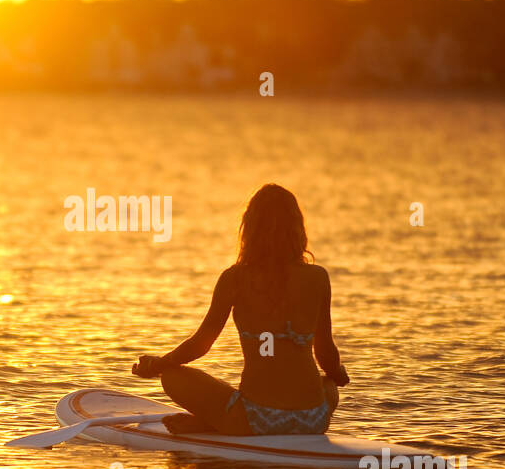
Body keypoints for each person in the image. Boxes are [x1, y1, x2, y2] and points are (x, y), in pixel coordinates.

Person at [132, 183, 349, 435]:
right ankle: (214, 423)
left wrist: (159, 364)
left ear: (249, 229)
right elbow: (325, 352)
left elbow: (201, 344)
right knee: (329, 385)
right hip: (314, 420)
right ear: (297, 228)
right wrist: (339, 374)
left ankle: (213, 425)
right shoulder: (318, 277)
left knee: (172, 377)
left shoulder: (234, 279)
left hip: (257, 421)